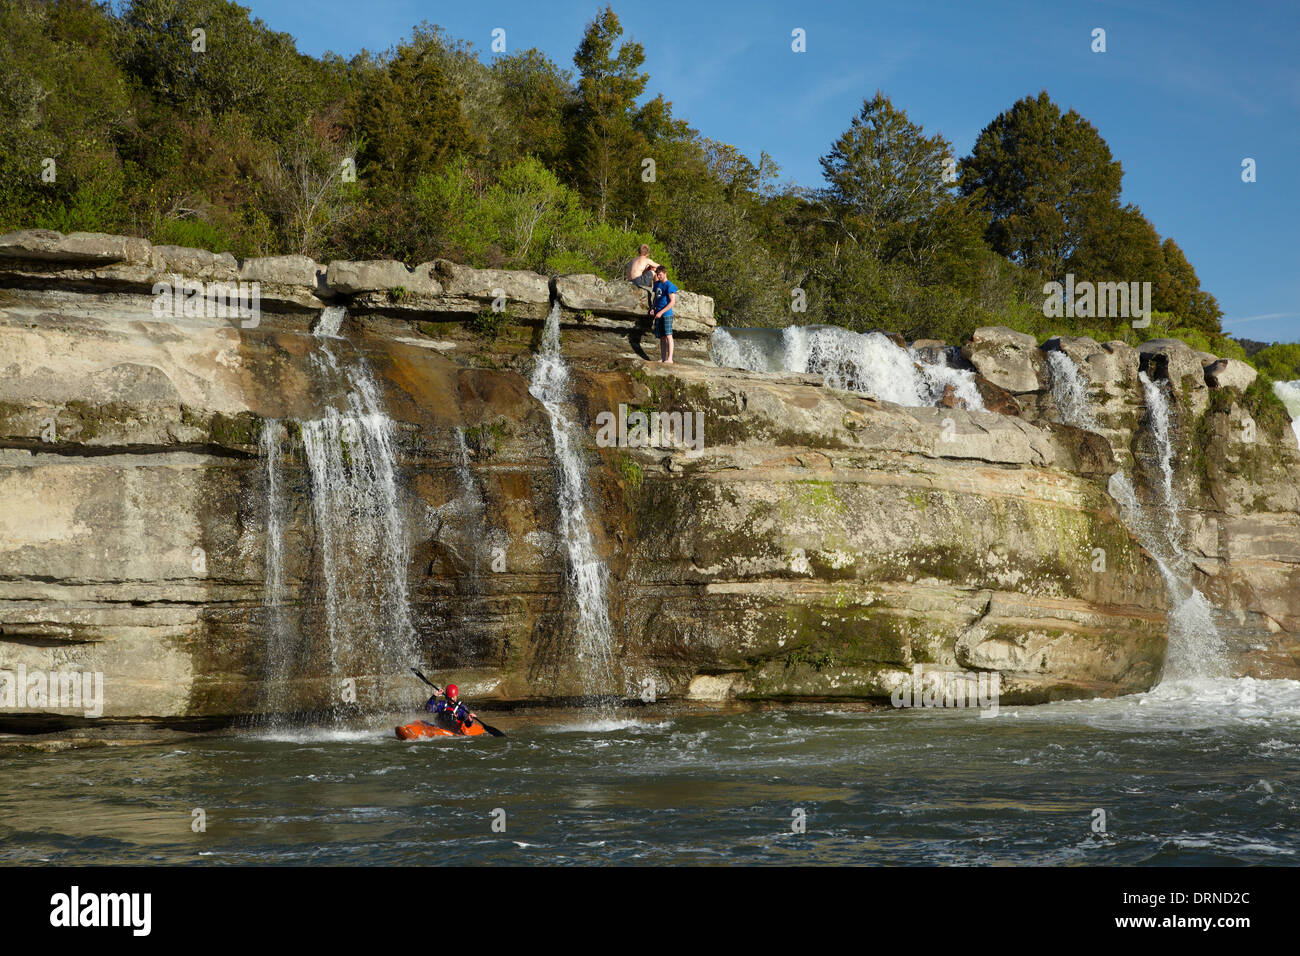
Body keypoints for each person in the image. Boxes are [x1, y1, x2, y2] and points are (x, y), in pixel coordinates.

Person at [650, 264, 678, 364]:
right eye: (657, 274)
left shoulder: (669, 285)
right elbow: (655, 298)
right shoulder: (657, 284)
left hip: (666, 314)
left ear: (665, 273)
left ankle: (670, 359)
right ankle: (662, 358)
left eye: (660, 274)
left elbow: (672, 302)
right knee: (661, 337)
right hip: (658, 313)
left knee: (668, 335)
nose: (658, 276)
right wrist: (653, 308)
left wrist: (661, 312)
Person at [627, 244, 659, 310]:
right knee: (654, 272)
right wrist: (651, 268)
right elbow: (659, 266)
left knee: (648, 271)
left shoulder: (633, 260)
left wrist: (647, 269)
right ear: (647, 253)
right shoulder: (646, 260)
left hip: (630, 281)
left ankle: (650, 288)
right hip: (638, 281)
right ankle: (658, 291)